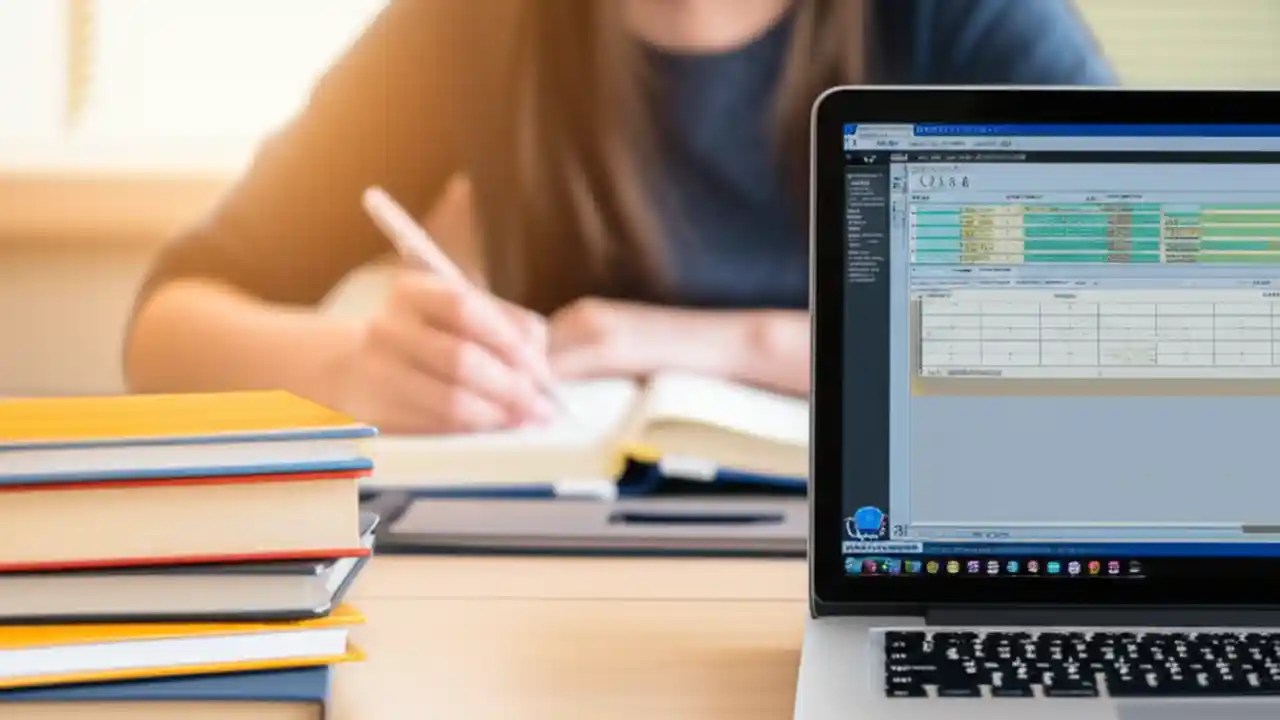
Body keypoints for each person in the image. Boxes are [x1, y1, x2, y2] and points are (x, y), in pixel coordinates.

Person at [125, 0, 1113, 433]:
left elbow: (1134, 321)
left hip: (895, 576)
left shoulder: (959, 15)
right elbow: (167, 323)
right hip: (557, 575)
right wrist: (348, 368)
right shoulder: (463, 24)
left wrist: (732, 345)